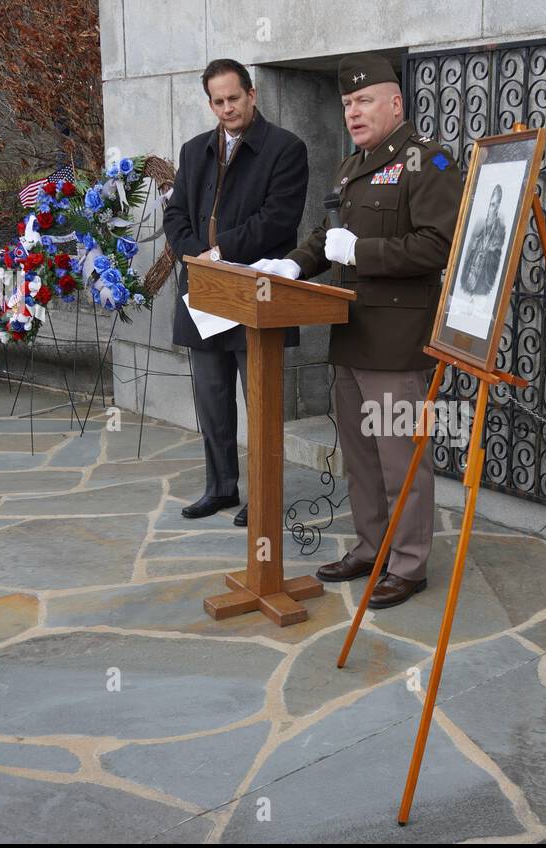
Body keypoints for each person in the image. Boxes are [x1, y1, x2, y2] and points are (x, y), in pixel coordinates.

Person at [253, 54, 463, 609]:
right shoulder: (351, 168)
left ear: (395, 102)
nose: (353, 112)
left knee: (400, 459)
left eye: (364, 100)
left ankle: (410, 564)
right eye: (347, 104)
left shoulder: (430, 161)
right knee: (362, 457)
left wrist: (362, 251)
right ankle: (372, 547)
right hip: (349, 333)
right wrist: (294, 265)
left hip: (396, 343)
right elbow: (326, 234)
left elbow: (440, 247)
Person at [163, 58, 309, 527]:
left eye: (234, 98)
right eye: (218, 101)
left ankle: (263, 494)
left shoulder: (286, 149)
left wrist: (222, 252)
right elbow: (176, 216)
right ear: (210, 102)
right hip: (203, 288)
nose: (227, 108)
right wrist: (197, 257)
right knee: (211, 396)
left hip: (255, 292)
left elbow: (279, 220)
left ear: (252, 95)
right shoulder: (193, 150)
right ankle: (221, 487)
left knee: (260, 402)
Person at [459, 184, 505, 295]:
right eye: (490, 204)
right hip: (469, 282)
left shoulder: (500, 230)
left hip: (483, 285)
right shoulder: (482, 228)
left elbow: (496, 261)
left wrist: (490, 251)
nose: (491, 209)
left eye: (494, 205)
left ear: (498, 207)